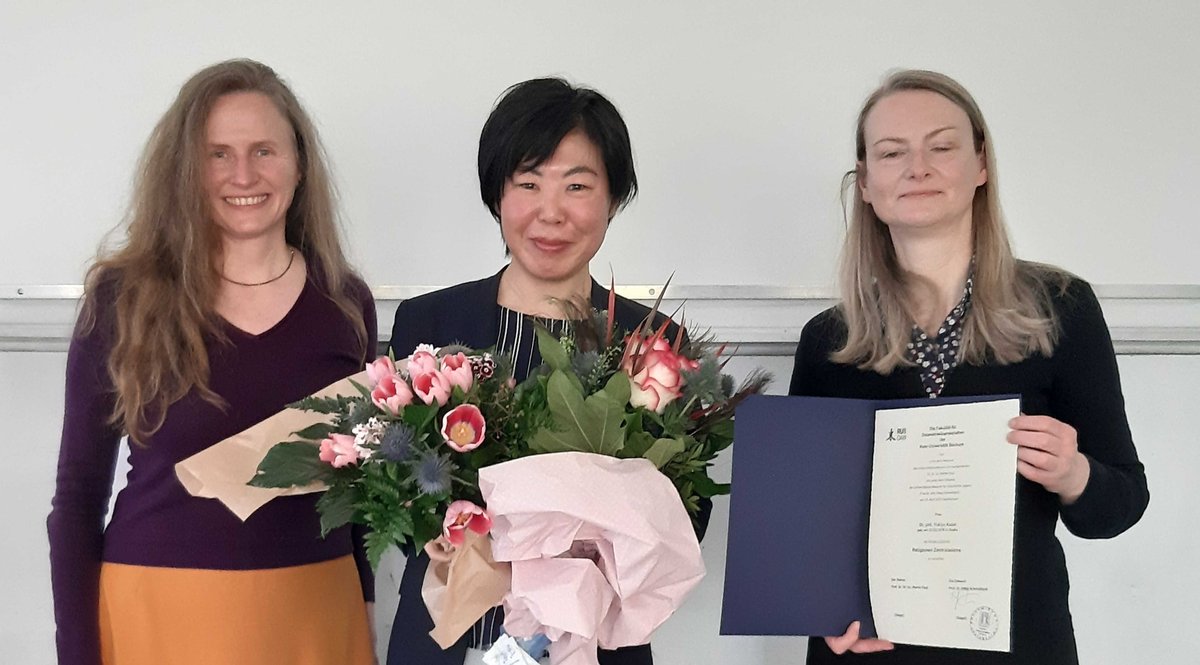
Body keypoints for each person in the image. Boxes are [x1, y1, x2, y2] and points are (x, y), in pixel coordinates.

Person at [788, 69, 1149, 664]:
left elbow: (1122, 501)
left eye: (942, 146)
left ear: (981, 165)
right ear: (867, 185)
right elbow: (802, 528)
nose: (917, 167)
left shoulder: (1061, 309)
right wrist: (817, 611)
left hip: (1018, 647)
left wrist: (1073, 473)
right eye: (892, 152)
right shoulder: (829, 341)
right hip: (870, 653)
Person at [47, 59, 377, 665]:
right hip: (159, 614)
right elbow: (76, 497)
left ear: (299, 164)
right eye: (217, 154)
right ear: (184, 170)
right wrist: (77, 653)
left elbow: (355, 494)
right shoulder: (124, 298)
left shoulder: (344, 302)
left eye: (264, 151)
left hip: (314, 614)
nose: (243, 174)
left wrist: (364, 610)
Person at [385, 77, 705, 665]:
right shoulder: (428, 322)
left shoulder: (654, 346)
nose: (550, 212)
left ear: (612, 198)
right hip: (446, 642)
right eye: (527, 184)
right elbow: (390, 502)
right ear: (497, 196)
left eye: (577, 185)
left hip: (596, 649)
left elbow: (686, 517)